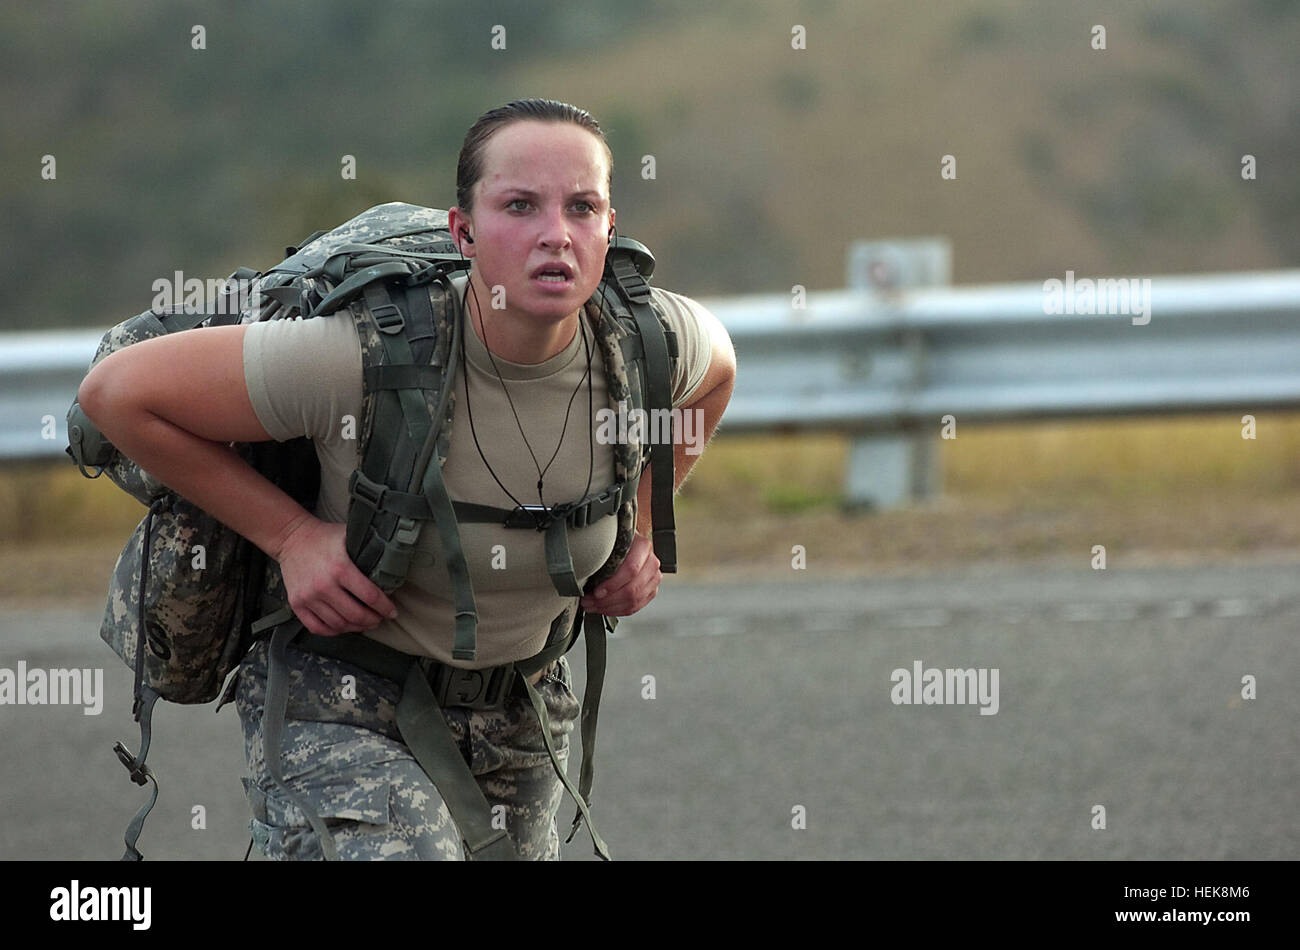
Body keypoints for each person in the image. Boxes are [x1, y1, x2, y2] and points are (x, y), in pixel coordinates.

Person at [77, 98, 736, 860]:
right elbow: (117, 395)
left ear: (609, 227)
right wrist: (289, 536)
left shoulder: (647, 343)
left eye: (581, 207)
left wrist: (640, 530)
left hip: (520, 705)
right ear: (464, 232)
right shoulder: (362, 357)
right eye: (519, 206)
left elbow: (717, 374)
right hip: (344, 698)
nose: (556, 233)